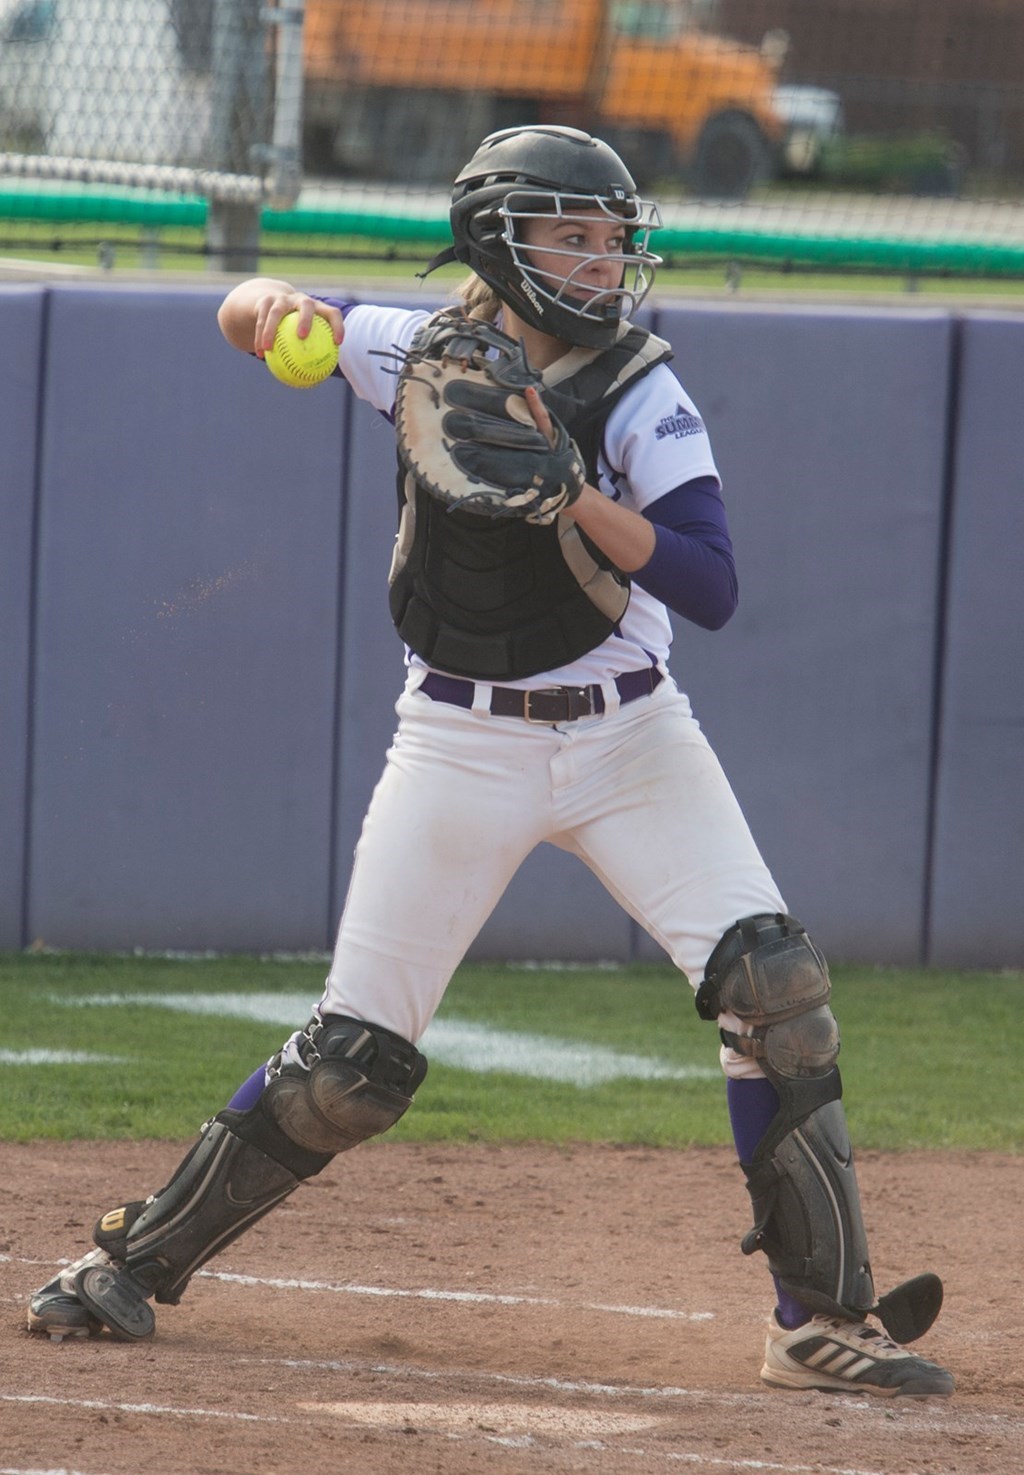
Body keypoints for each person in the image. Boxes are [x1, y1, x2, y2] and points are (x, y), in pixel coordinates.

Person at [28, 125, 953, 1397]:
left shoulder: (640, 386)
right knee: (353, 1065)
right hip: (460, 740)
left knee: (774, 988)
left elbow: (710, 580)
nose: (601, 256)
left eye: (612, 233)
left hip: (631, 733)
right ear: (497, 240)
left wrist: (572, 492)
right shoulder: (424, 349)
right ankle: (132, 1263)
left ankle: (818, 1316)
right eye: (568, 232)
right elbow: (242, 311)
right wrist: (278, 311)